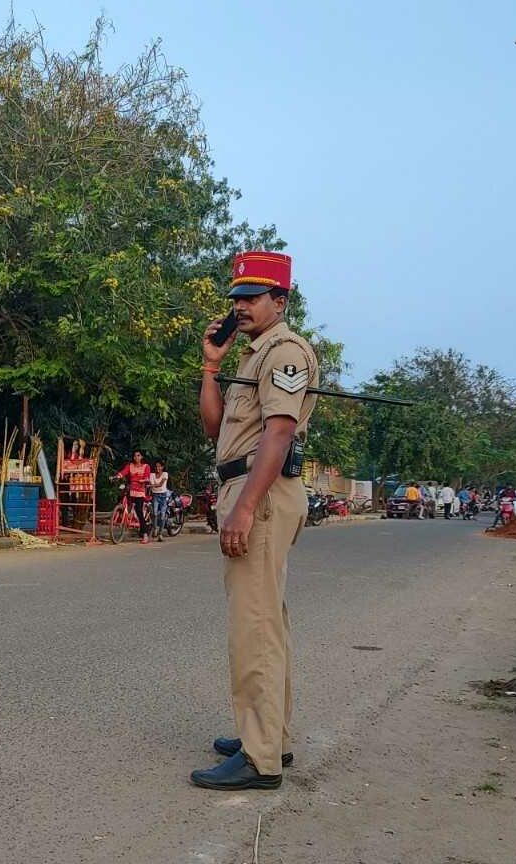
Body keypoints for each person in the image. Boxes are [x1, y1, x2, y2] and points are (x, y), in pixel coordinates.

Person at [191, 250, 318, 791]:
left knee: (255, 625)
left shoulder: (285, 352)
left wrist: (244, 507)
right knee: (267, 619)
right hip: (246, 486)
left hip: (259, 494)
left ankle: (260, 757)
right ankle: (271, 738)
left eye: (253, 297)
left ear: (280, 301)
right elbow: (214, 426)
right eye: (237, 298)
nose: (241, 306)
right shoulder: (251, 355)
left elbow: (279, 433)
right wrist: (210, 367)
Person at [116, 449, 151, 543]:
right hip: (131, 490)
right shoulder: (130, 466)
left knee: (139, 512)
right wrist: (117, 476)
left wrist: (144, 480)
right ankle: (124, 517)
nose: (136, 457)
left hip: (140, 492)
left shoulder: (146, 466)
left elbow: (147, 477)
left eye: (138, 455)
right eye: (135, 456)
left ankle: (145, 534)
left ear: (141, 457)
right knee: (121, 499)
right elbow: (123, 472)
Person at [149, 460, 169, 542]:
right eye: (156, 466)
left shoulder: (165, 474)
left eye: (159, 466)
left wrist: (152, 485)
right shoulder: (152, 475)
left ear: (162, 467)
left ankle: (160, 533)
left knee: (163, 515)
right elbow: (151, 485)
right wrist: (151, 485)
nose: (158, 468)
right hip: (155, 495)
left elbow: (160, 484)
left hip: (163, 496)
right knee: (154, 513)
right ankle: (155, 529)